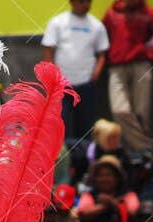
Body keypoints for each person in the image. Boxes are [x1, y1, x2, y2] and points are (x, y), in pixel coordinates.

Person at [43, 0, 108, 148]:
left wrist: (96, 74)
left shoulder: (97, 26)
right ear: (72, 2)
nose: (85, 4)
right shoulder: (58, 22)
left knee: (85, 126)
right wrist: (52, 75)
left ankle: (83, 160)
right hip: (62, 85)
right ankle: (63, 158)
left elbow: (102, 54)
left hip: (86, 84)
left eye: (88, 1)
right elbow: (48, 49)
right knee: (61, 123)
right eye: (81, 1)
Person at [103, 0, 153, 154]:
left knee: (141, 112)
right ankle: (147, 147)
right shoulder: (112, 13)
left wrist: (150, 54)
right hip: (117, 65)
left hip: (141, 64)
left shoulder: (149, 13)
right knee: (119, 110)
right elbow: (103, 38)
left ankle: (134, 154)